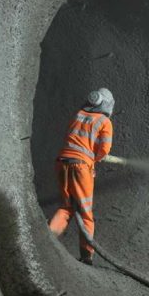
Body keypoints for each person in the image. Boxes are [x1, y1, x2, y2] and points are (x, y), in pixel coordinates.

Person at [49, 88, 114, 265]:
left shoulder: (78, 114)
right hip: (80, 168)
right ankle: (86, 257)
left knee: (66, 207)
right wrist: (94, 160)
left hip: (62, 162)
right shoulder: (104, 121)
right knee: (85, 213)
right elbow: (104, 150)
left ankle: (47, 239)